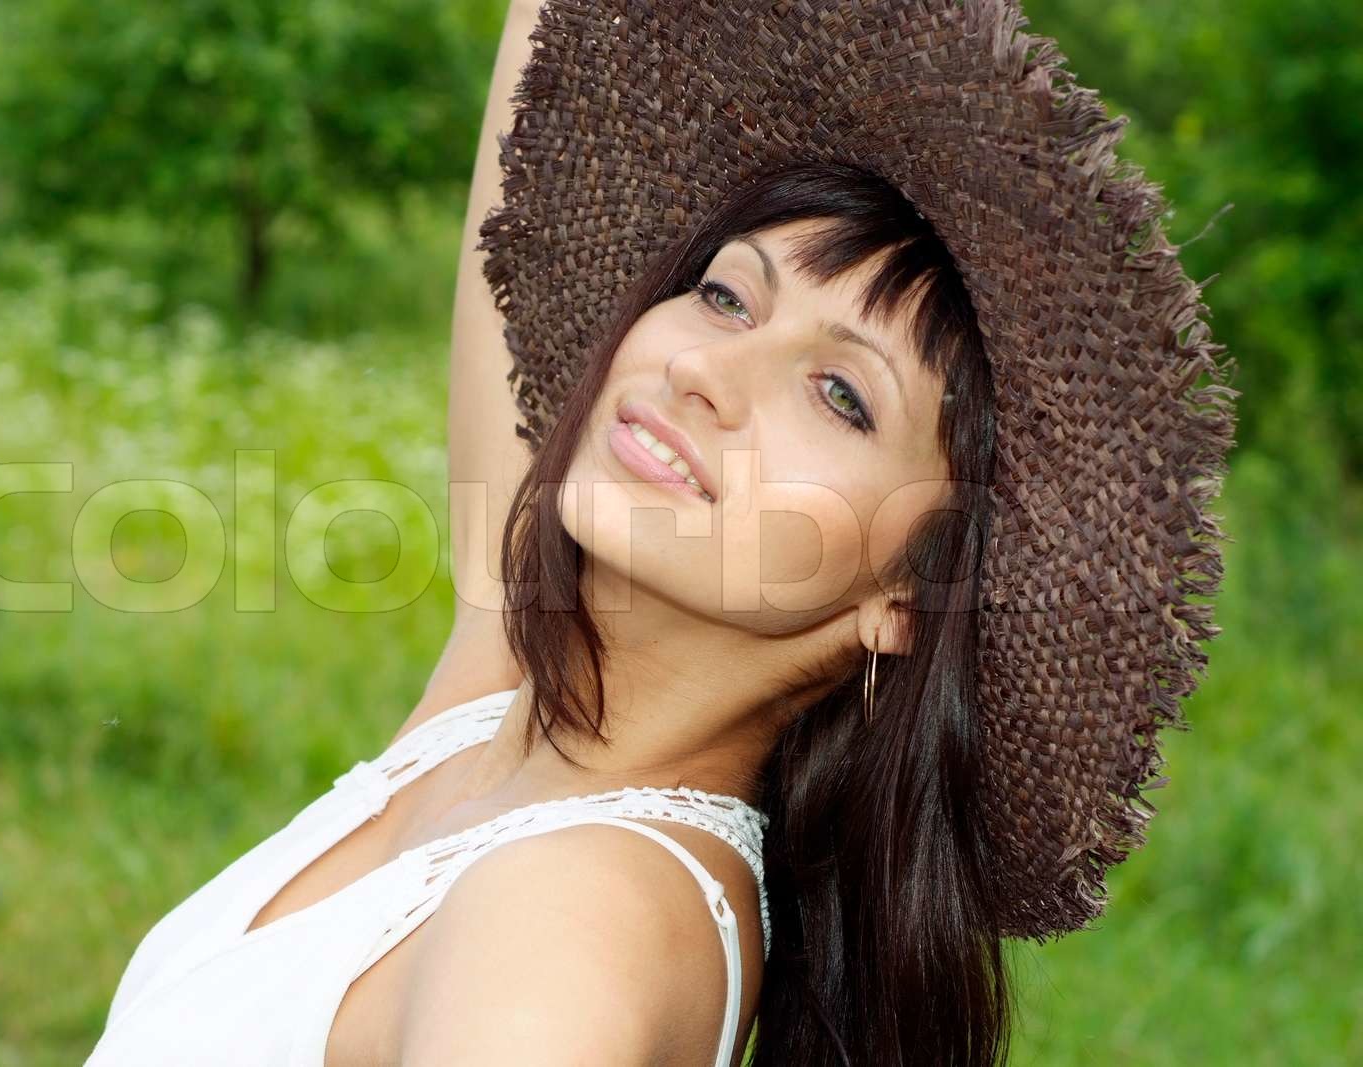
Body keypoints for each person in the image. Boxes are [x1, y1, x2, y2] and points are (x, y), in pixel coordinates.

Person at [85, 2, 1236, 1065]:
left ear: (905, 593)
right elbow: (529, 133)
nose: (702, 368)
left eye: (839, 394)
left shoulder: (567, 922)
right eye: (725, 294)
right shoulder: (500, 718)